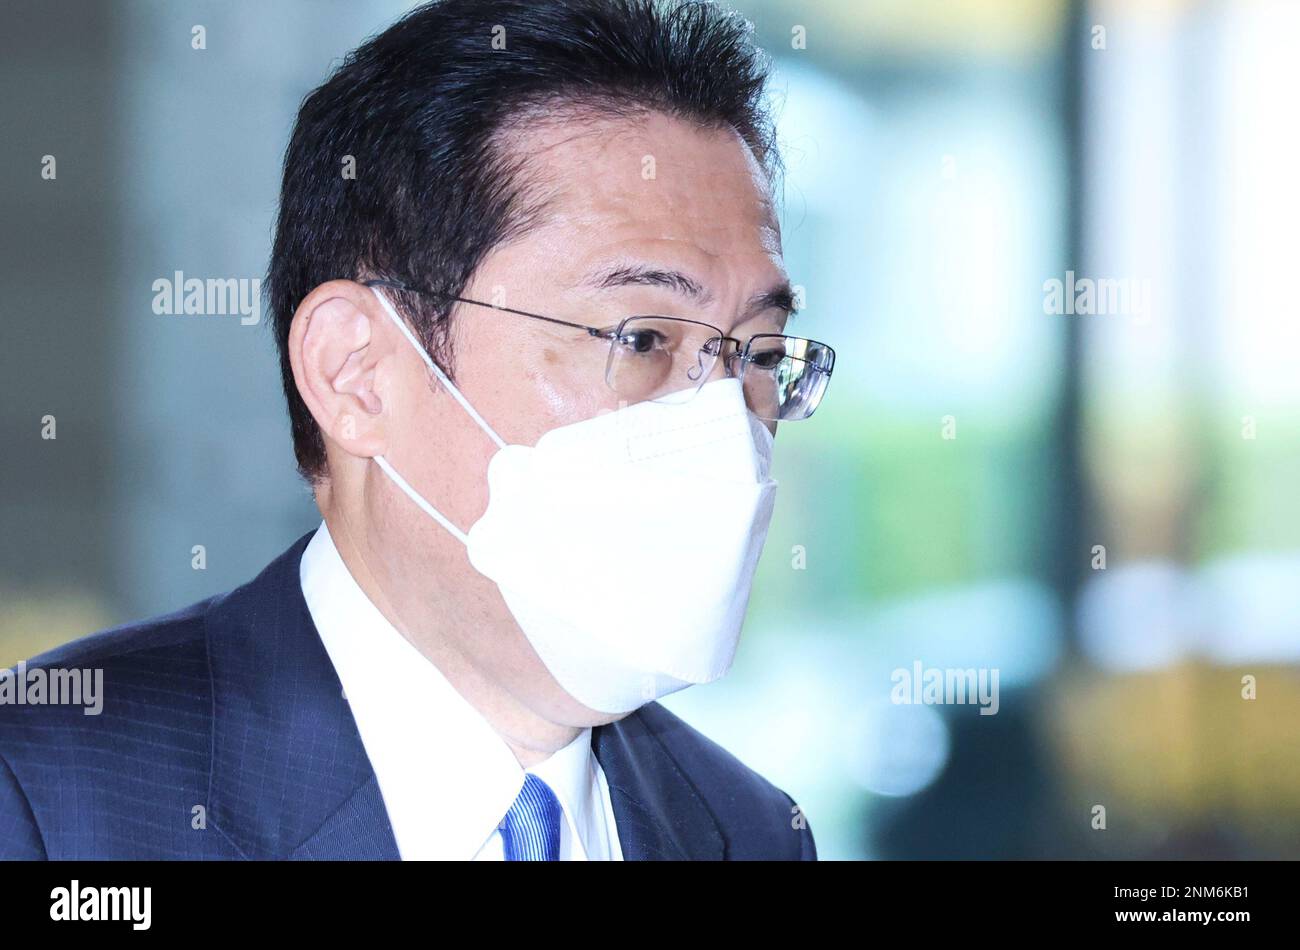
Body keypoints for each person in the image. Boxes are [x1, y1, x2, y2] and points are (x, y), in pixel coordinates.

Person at [0, 0, 835, 860]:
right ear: (356, 372)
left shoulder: (751, 832)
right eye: (644, 339)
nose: (726, 428)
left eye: (760, 354)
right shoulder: (50, 799)